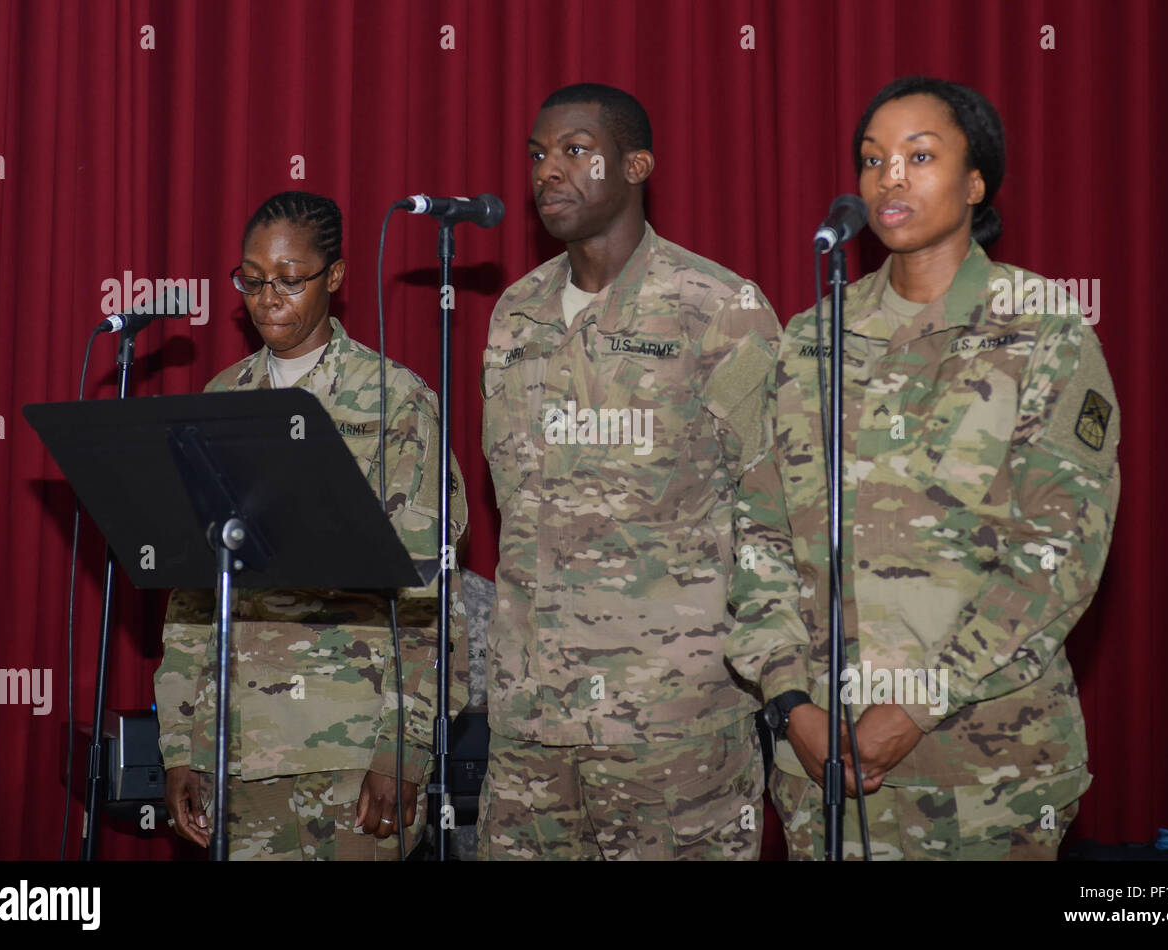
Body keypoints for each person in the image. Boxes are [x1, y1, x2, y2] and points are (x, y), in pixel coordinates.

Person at [728, 76, 1121, 860]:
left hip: (983, 776)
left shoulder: (1043, 330)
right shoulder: (812, 339)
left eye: (920, 155)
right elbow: (758, 536)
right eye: (873, 160)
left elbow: (1058, 557)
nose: (890, 177)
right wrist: (790, 701)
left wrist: (917, 706)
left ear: (976, 183)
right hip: (824, 775)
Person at [477, 83, 782, 860]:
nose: (550, 172)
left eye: (576, 151)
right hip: (530, 725)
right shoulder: (516, 312)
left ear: (637, 164)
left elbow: (776, 511)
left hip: (670, 724)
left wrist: (780, 681)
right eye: (539, 155)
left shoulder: (718, 307)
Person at [154, 190, 468, 860]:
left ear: (334, 277)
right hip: (232, 751)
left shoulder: (396, 402)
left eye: (290, 280)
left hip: (349, 754)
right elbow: (191, 594)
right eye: (252, 279)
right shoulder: (219, 400)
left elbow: (430, 593)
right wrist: (181, 742)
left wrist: (404, 750)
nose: (268, 297)